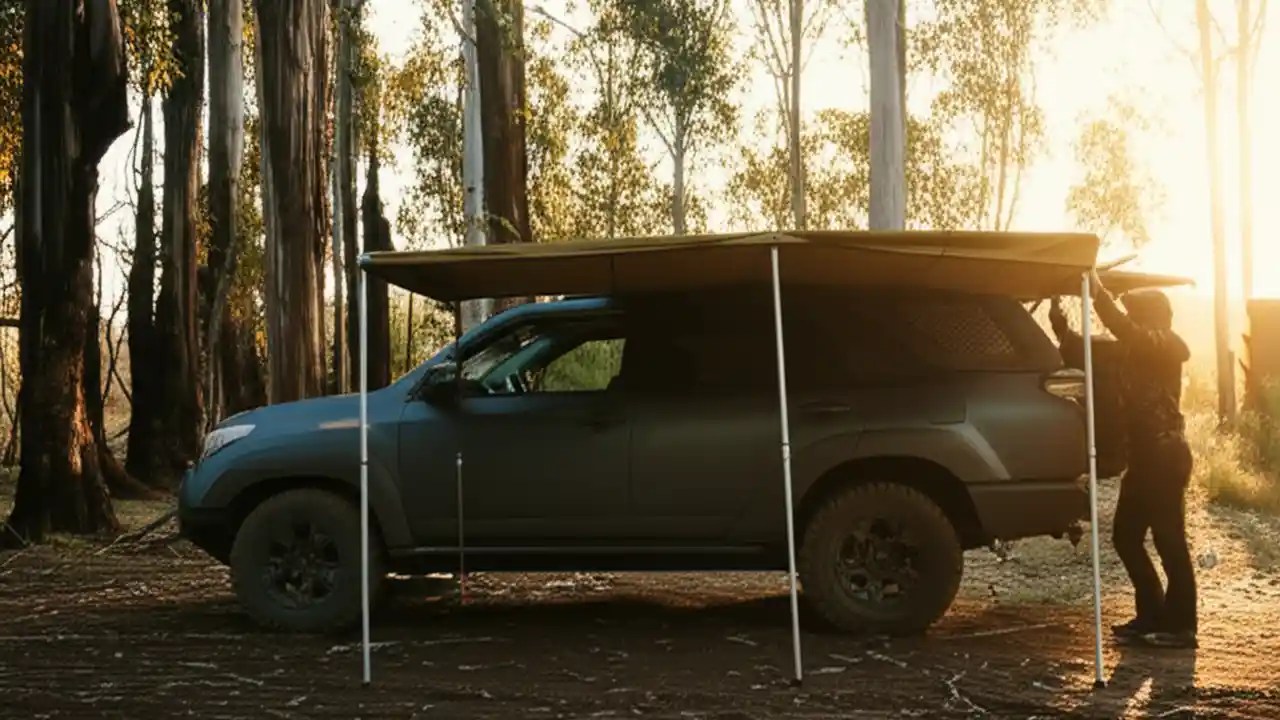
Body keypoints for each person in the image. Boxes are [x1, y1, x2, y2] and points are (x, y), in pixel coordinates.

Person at [1049, 269, 1197, 649]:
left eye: (1136, 312)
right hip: (1145, 458)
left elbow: (1126, 329)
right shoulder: (1134, 347)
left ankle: (1181, 626)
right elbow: (1084, 348)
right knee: (1126, 537)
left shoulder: (1168, 343)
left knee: (1169, 540)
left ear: (1154, 317)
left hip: (1165, 454)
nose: (1130, 318)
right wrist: (1059, 321)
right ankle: (1152, 614)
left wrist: (1098, 294)